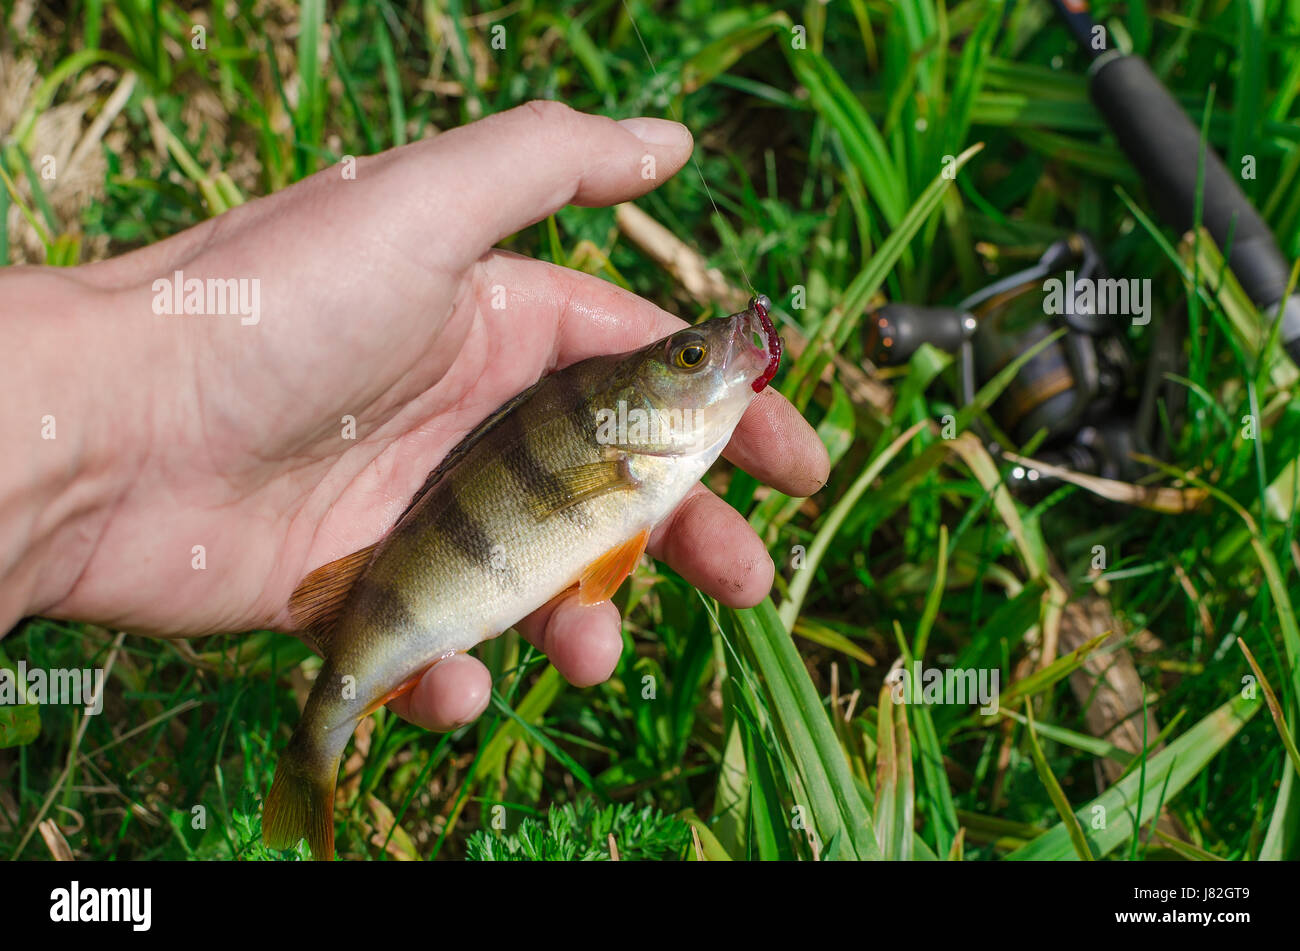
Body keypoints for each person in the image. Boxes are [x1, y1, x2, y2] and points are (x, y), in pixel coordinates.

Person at [1, 101, 828, 731]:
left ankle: (320, 743)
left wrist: (87, 424)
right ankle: (317, 753)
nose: (710, 353)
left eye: (691, 354)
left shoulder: (632, 455)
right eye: (689, 357)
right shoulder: (618, 452)